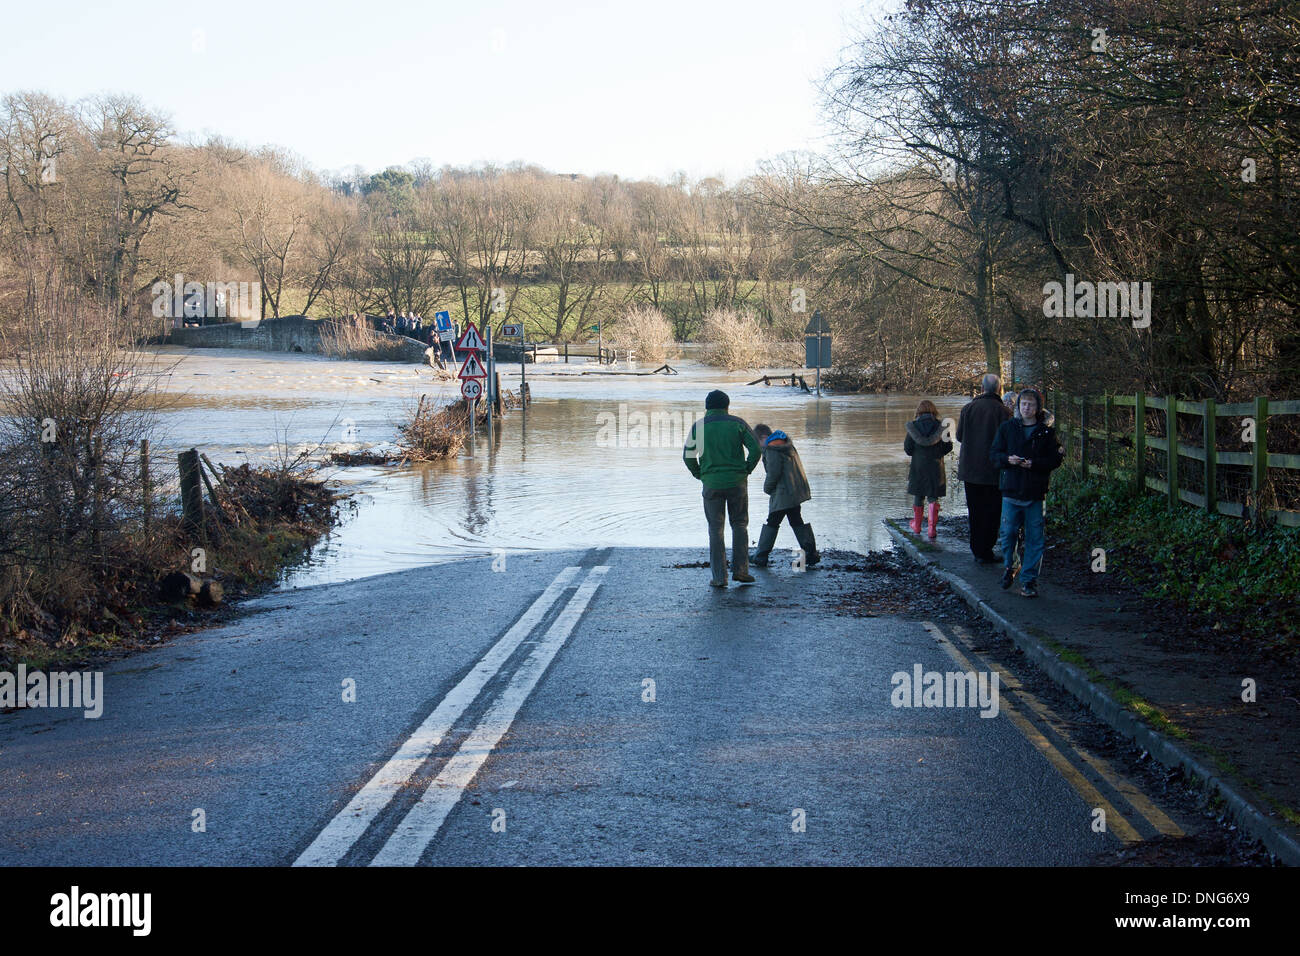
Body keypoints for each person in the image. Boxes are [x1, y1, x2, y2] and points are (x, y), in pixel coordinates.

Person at [990, 388, 1064, 598]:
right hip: (1011, 489)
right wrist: (1007, 460)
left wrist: (1035, 464)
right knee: (1007, 534)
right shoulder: (1007, 428)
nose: (1026, 408)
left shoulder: (1047, 433)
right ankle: (1011, 565)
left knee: (1035, 538)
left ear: (1038, 408)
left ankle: (1029, 580)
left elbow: (1055, 459)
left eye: (1031, 404)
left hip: (1035, 491)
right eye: (1023, 404)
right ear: (1018, 406)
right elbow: (994, 454)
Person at [682, 390, 761, 587]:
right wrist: (747, 469)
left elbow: (688, 456)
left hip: (711, 484)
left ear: (707, 407)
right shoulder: (738, 423)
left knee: (716, 529)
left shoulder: (698, 427)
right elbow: (756, 449)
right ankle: (741, 571)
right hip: (737, 482)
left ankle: (719, 577)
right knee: (740, 525)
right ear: (727, 406)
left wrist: (699, 474)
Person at [957, 373, 1012, 562]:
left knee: (975, 511)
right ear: (998, 390)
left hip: (970, 470)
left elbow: (959, 436)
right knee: (992, 511)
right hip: (993, 471)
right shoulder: (1004, 412)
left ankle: (977, 549)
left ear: (981, 389)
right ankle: (986, 550)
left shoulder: (968, 409)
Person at [749, 424, 819, 568]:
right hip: (793, 491)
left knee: (773, 521)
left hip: (782, 492)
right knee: (796, 520)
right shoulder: (786, 445)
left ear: (763, 437)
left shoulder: (772, 449)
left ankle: (760, 557)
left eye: (758, 442)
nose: (758, 446)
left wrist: (767, 488)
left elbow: (773, 473)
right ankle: (811, 555)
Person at [904, 400, 954, 540]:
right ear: (934, 411)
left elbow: (908, 449)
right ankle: (932, 529)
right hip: (936, 465)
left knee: (918, 495)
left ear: (918, 411)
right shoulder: (941, 427)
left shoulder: (913, 427)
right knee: (933, 496)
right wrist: (937, 453)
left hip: (918, 466)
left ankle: (917, 526)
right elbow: (948, 447)